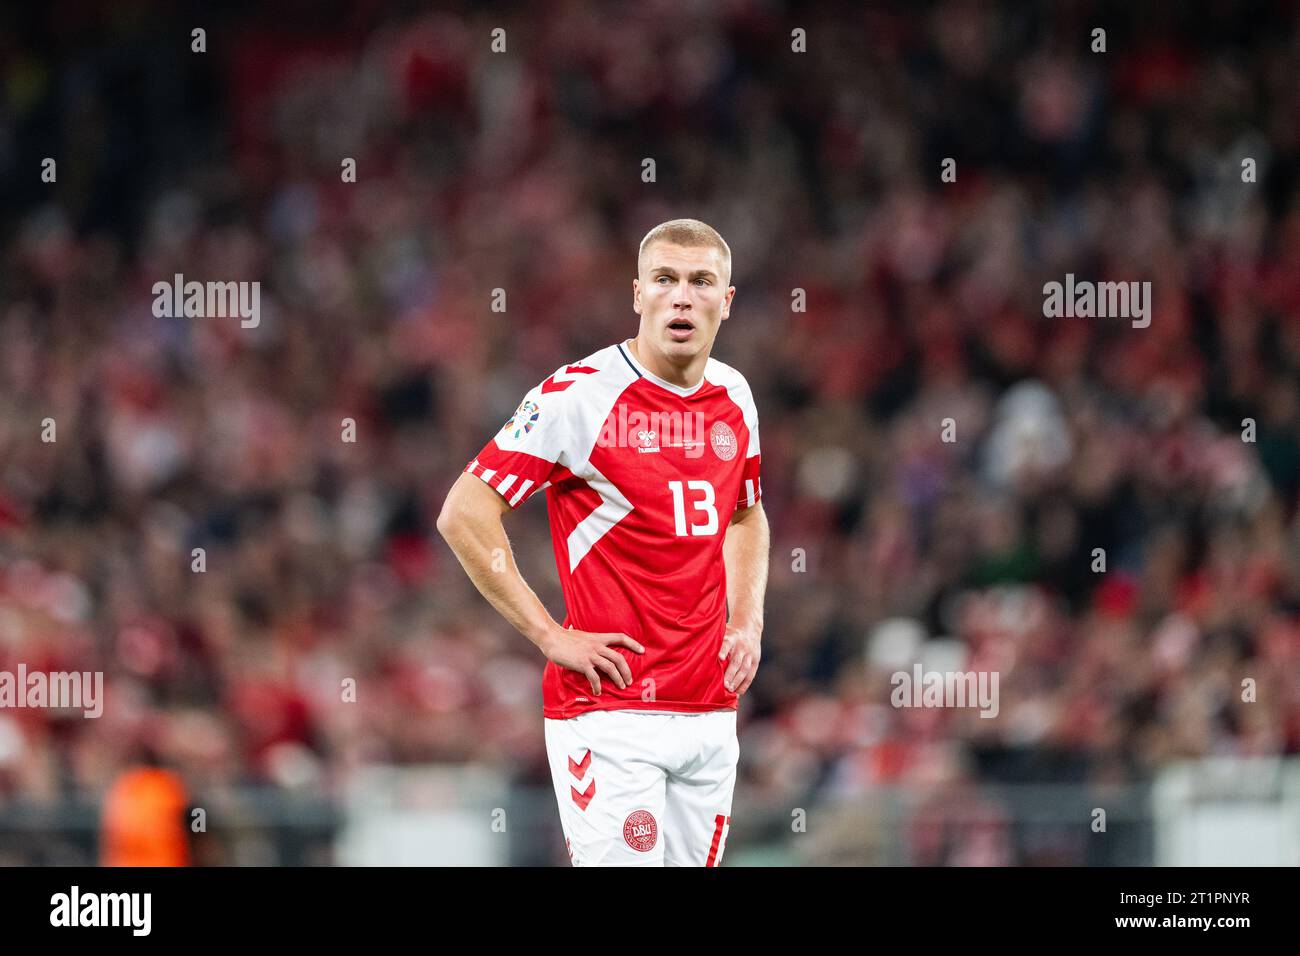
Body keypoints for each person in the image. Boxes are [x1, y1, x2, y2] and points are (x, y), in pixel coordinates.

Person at [437, 219, 770, 866]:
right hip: (610, 710)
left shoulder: (735, 396)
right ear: (637, 294)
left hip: (708, 707)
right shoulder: (578, 396)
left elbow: (746, 515)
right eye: (665, 280)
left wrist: (749, 619)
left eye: (701, 282)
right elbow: (465, 513)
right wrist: (547, 635)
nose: (682, 297)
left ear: (725, 302)